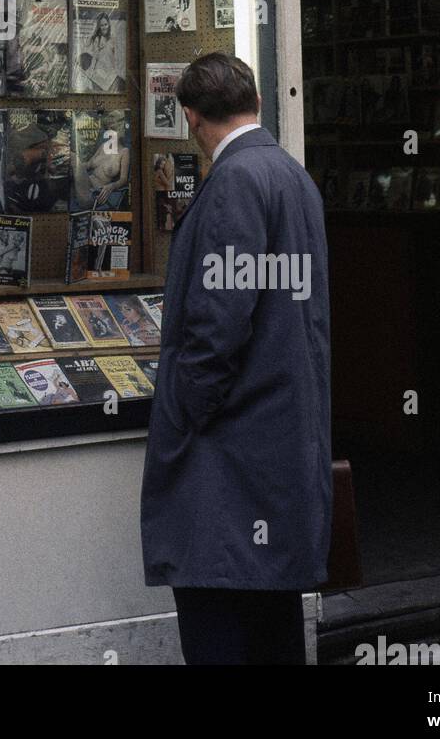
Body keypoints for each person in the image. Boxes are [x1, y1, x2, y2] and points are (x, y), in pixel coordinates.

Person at [140, 52, 331, 666]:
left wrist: (184, 408)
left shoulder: (235, 182)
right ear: (255, 103)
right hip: (278, 443)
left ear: (191, 118)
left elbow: (218, 323)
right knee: (272, 620)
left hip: (229, 456)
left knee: (219, 621)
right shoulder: (292, 176)